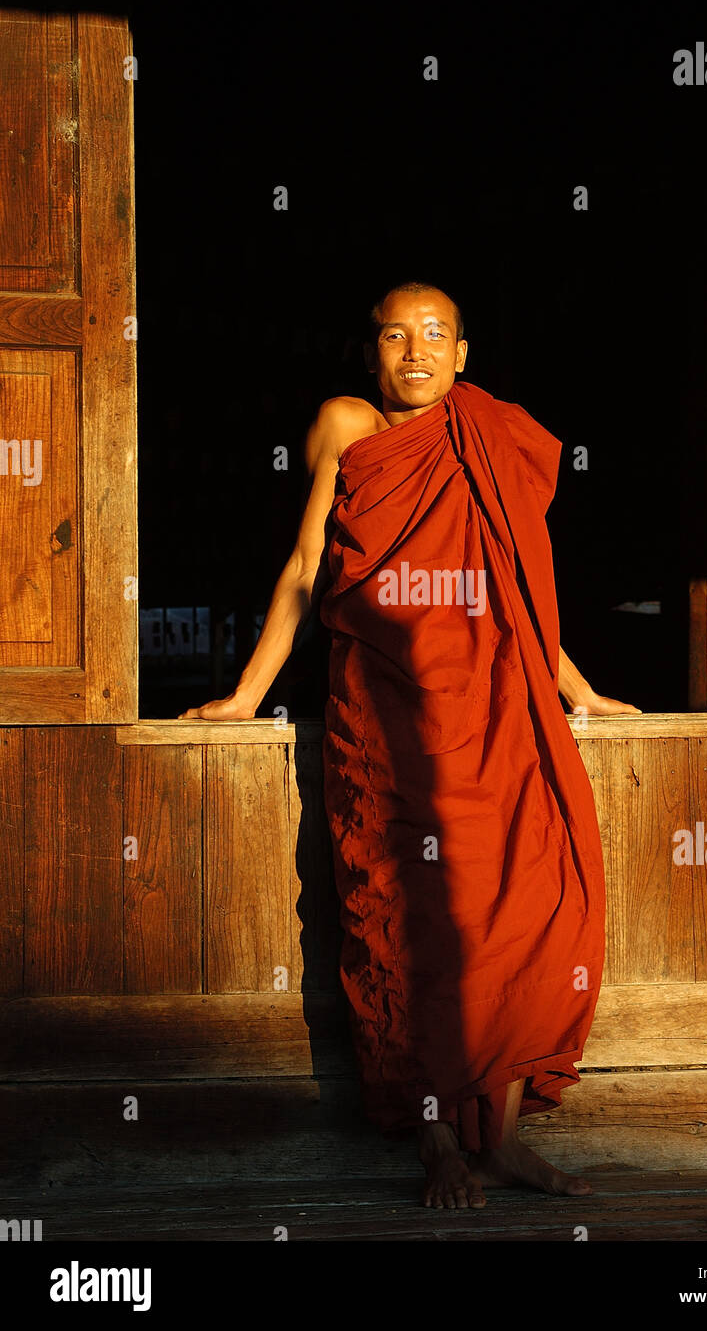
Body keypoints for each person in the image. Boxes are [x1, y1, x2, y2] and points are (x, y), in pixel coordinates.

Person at [180, 282, 641, 1210]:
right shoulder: (351, 425)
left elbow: (514, 585)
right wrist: (245, 695)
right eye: (396, 335)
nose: (416, 352)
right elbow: (312, 565)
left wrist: (581, 691)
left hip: (499, 706)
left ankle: (502, 1140)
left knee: (523, 904)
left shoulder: (487, 432)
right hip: (389, 708)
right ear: (371, 353)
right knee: (405, 911)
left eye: (436, 335)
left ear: (464, 353)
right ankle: (438, 1140)